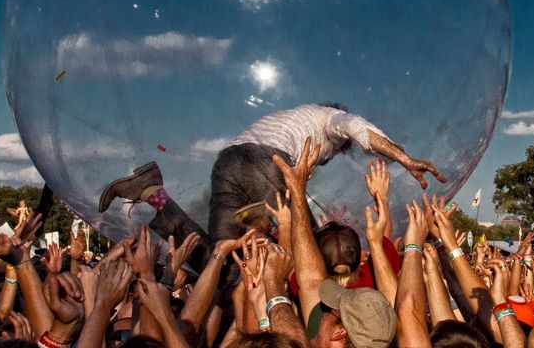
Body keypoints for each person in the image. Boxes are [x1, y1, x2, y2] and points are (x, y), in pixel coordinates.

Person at [98, 103, 446, 269]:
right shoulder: (329, 120)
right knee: (309, 255)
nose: (335, 157)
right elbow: (358, 128)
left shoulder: (290, 119)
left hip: (228, 164)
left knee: (219, 262)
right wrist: (404, 158)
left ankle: (152, 194)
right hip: (266, 162)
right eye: (341, 151)